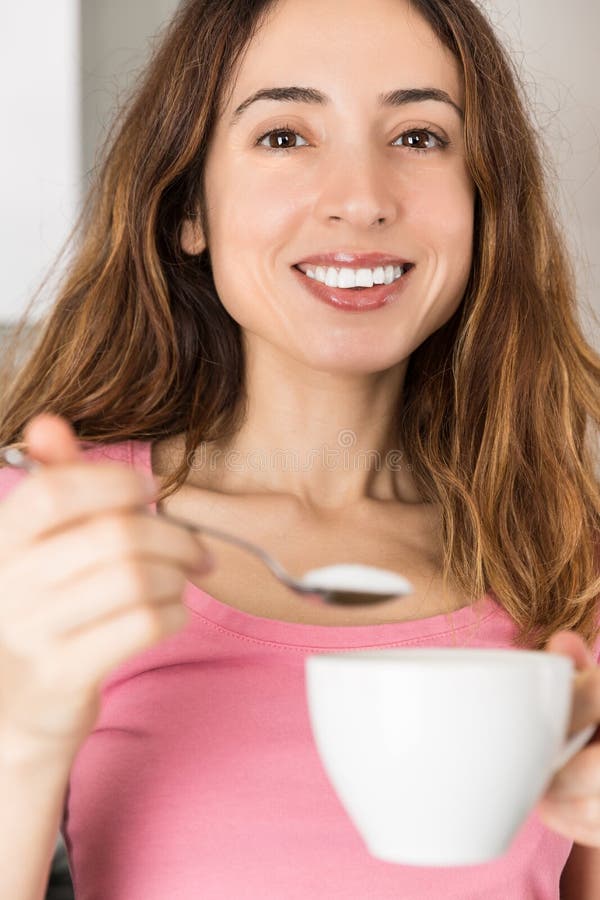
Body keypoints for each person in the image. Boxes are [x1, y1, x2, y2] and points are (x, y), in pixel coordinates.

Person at [1, 0, 600, 896]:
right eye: (284, 136)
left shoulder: (569, 561)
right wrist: (23, 722)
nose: (361, 198)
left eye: (421, 136)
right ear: (186, 210)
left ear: (484, 202)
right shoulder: (49, 542)